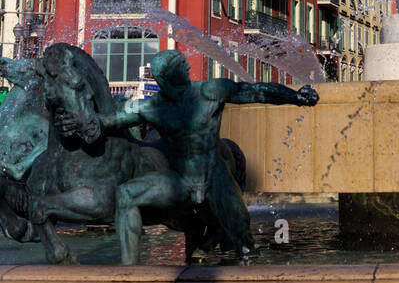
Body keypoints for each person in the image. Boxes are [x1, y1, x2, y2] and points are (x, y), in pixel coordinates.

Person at [88, 49, 317, 263]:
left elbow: (256, 91)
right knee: (126, 194)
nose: (189, 67)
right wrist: (79, 121)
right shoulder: (151, 107)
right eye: (182, 65)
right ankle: (130, 273)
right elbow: (110, 121)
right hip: (179, 180)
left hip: (213, 177)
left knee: (244, 242)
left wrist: (296, 97)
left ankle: (246, 277)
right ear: (167, 76)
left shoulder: (210, 92)